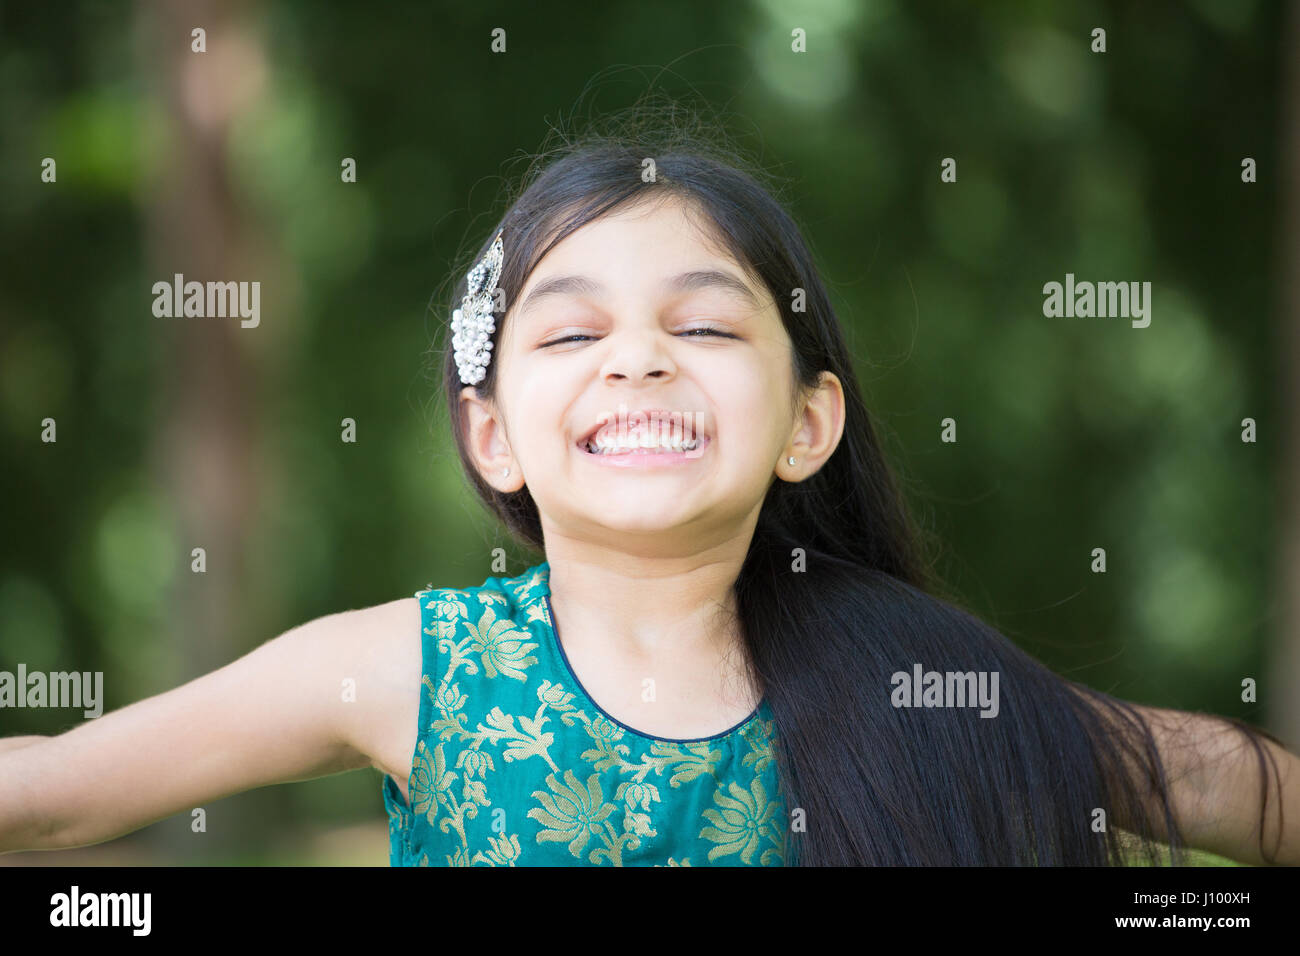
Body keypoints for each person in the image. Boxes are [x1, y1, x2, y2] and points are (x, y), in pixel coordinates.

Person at [2, 106, 1296, 866]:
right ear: (493, 435)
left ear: (808, 420)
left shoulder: (916, 678)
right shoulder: (412, 673)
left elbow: (1211, 781)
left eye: (708, 327)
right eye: (570, 335)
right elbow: (54, 792)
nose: (636, 358)